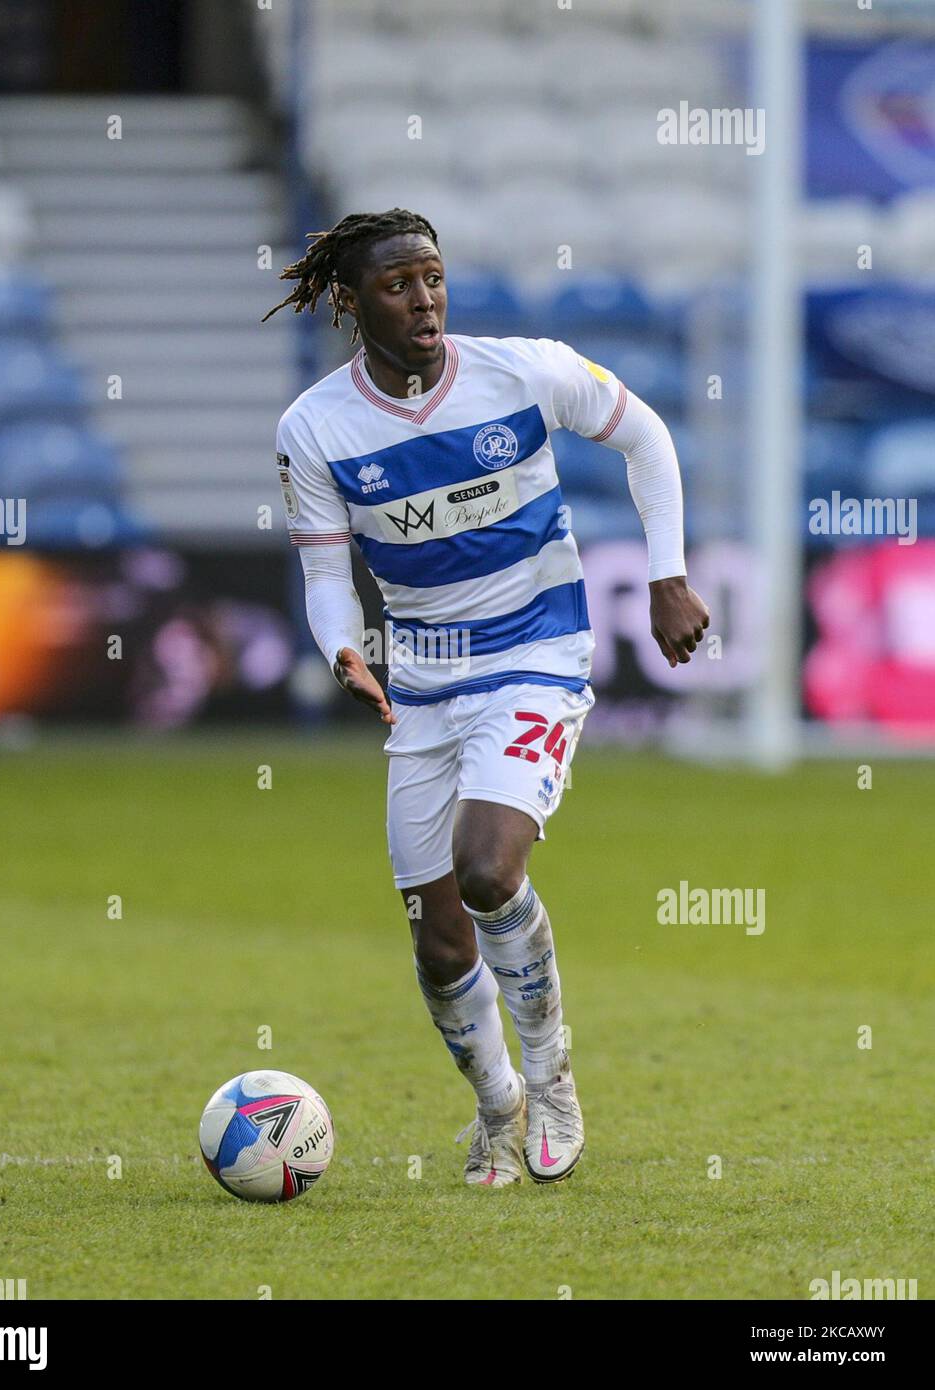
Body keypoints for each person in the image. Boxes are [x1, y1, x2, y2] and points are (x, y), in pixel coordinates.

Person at [264, 209, 709, 1186]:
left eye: (432, 277)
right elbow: (330, 578)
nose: (422, 298)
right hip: (423, 685)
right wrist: (343, 650)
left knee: (485, 868)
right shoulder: (315, 429)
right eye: (395, 284)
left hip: (536, 654)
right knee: (435, 945)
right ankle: (497, 1102)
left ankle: (551, 1080)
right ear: (349, 303)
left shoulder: (523, 371)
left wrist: (669, 575)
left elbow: (646, 437)